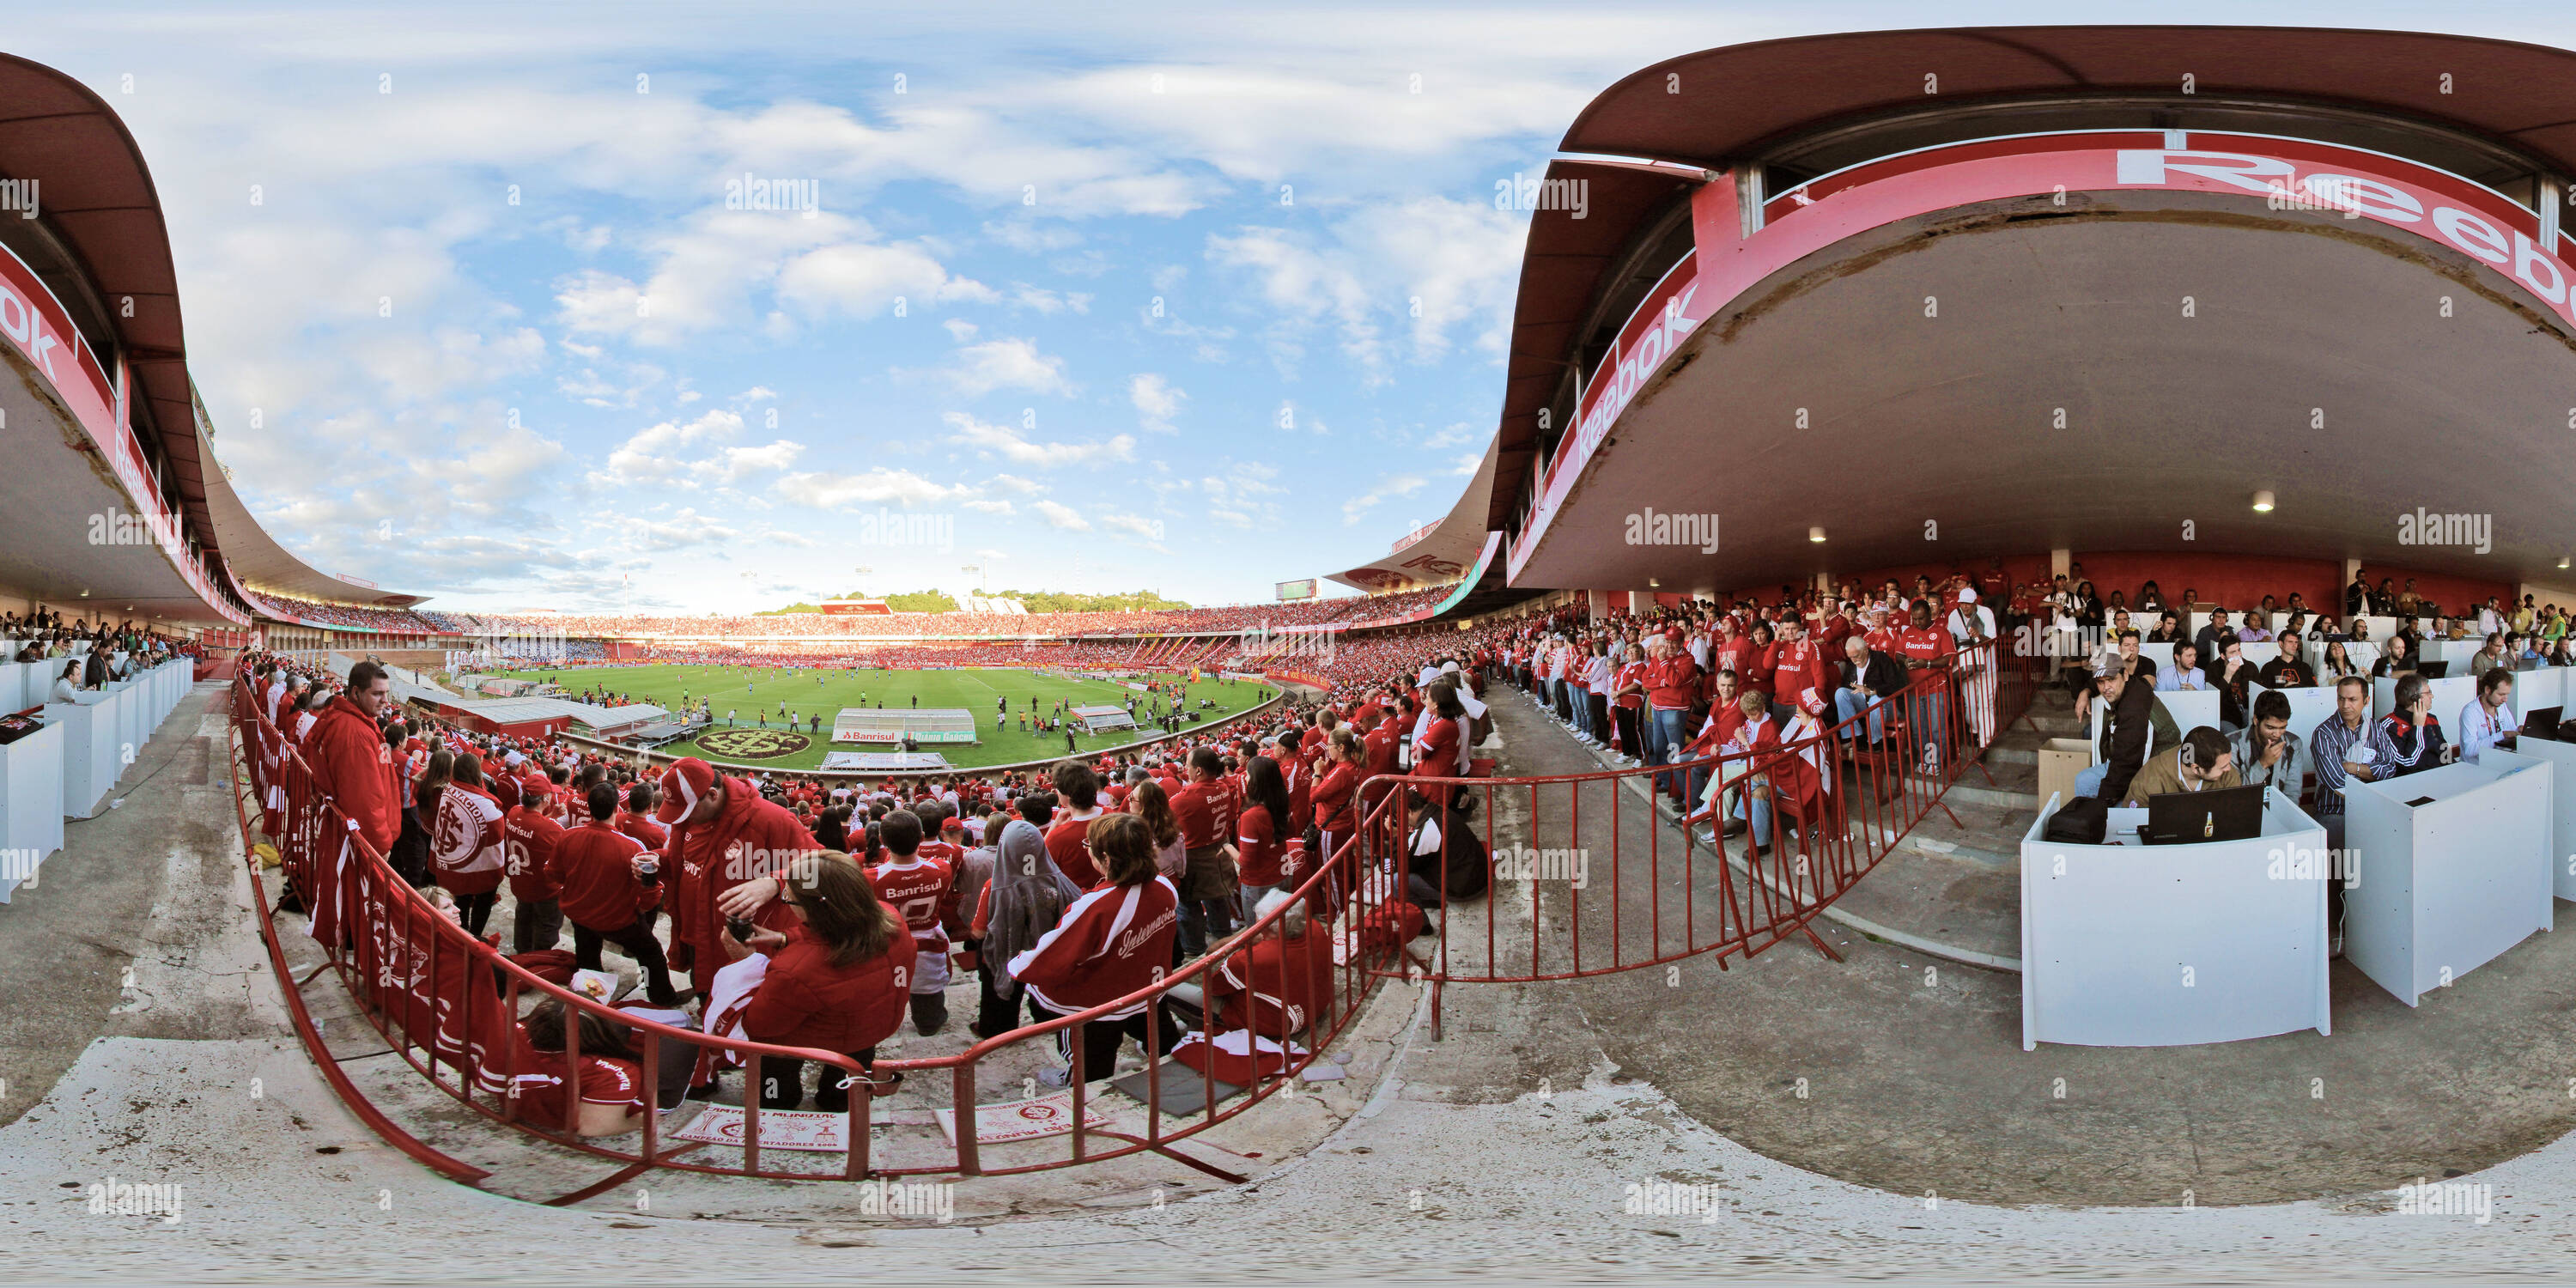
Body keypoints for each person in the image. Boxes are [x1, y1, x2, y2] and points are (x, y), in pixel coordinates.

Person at [726, 852, 914, 1112]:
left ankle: (777, 1108)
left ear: (812, 907)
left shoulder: (794, 972)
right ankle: (840, 1104)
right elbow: (836, 936)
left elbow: (759, 1026)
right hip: (871, 1028)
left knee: (775, 1082)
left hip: (802, 1043)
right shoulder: (891, 918)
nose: (786, 903)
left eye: (788, 899)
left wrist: (744, 963)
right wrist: (785, 938)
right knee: (847, 1083)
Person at [1009, 812, 1183, 1088]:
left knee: (1092, 1062)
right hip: (1148, 983)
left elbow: (1050, 960)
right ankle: (1171, 1055)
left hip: (1098, 1002)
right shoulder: (1165, 886)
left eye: (1089, 847)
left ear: (1106, 860)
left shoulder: (1096, 906)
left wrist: (1016, 964)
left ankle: (1080, 1087)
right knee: (1155, 1026)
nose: (1086, 851)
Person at [556, 782, 677, 1005]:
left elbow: (554, 874)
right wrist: (639, 909)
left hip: (580, 914)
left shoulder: (568, 836)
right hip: (618, 921)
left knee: (587, 949)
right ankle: (662, 998)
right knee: (651, 953)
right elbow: (652, 893)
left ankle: (589, 996)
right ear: (616, 809)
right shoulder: (632, 847)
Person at [864, 809, 955, 1036]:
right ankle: (928, 1025)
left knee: (891, 990)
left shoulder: (871, 879)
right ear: (922, 838)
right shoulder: (941, 869)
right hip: (929, 945)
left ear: (883, 841)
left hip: (890, 946)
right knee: (929, 1001)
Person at [428, 753, 508, 936]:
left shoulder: (448, 791)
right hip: (473, 866)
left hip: (454, 862)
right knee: (482, 902)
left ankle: (462, 935)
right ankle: (474, 936)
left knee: (460, 903)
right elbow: (497, 837)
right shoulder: (487, 806)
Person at [2115, 726, 2240, 806]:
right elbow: (2132, 823)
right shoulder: (2149, 779)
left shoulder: (2228, 776)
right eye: (2223, 767)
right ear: (2196, 768)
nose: (2229, 769)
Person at [2371, 673, 2451, 776]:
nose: (2432, 696)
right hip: (2412, 783)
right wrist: (2418, 727)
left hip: (2439, 778)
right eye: (2428, 693)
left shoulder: (2431, 719)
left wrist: (2453, 770)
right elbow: (2407, 764)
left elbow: (2444, 750)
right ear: (2415, 699)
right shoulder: (2387, 726)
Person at [2230, 690, 2307, 796]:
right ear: (2256, 720)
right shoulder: (2232, 744)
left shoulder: (2293, 744)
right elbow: (2234, 795)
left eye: (2283, 727)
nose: (2277, 734)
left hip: (2280, 810)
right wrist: (2263, 764)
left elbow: (2292, 793)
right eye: (2270, 727)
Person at [2459, 666, 2518, 763]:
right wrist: (2502, 735)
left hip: (2498, 763)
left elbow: (2511, 730)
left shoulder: (2501, 706)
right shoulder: (2470, 712)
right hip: (2476, 769)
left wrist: (2519, 730)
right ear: (2487, 690)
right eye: (2501, 694)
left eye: (2507, 694)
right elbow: (2469, 750)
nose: (2505, 699)